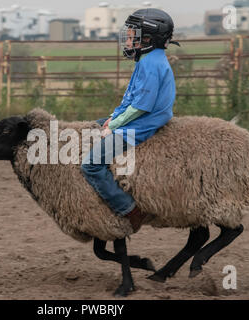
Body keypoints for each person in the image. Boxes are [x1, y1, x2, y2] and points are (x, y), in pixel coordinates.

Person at [81, 8, 179, 233]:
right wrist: (112, 118)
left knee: (92, 164)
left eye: (133, 34)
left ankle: (129, 210)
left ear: (148, 38)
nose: (127, 39)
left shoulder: (150, 64)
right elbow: (131, 99)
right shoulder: (148, 59)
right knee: (94, 125)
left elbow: (141, 106)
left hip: (141, 127)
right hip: (137, 120)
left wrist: (114, 125)